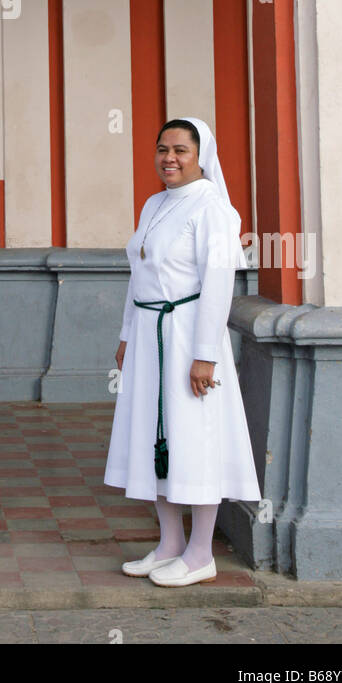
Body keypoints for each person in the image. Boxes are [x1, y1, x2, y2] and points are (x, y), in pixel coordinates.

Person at [104, 117, 260, 587]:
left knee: (196, 436)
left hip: (190, 334)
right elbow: (140, 278)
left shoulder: (212, 207)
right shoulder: (153, 203)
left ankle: (199, 553)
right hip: (151, 335)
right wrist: (127, 335)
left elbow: (217, 284)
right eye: (162, 149)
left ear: (200, 155)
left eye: (180, 150)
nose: (168, 158)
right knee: (159, 434)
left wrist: (205, 354)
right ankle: (170, 543)